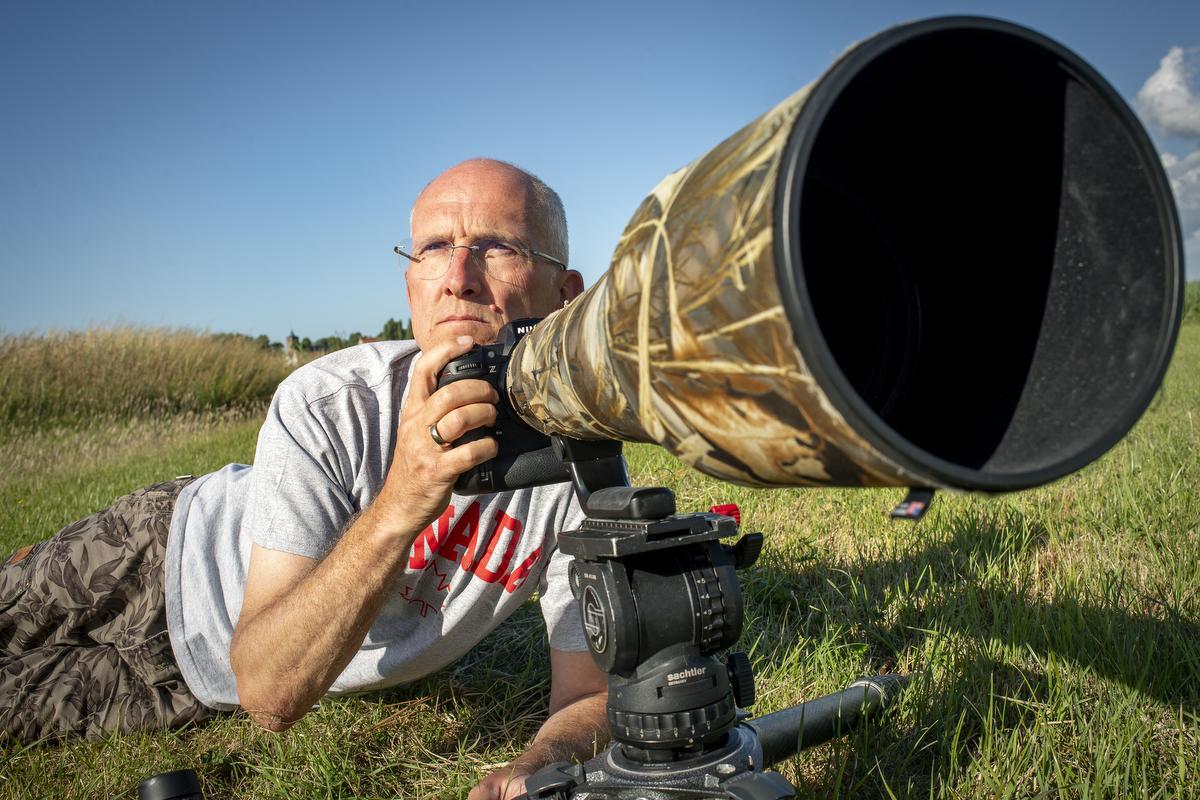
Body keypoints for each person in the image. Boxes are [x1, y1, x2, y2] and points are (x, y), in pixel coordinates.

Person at [0, 158, 606, 799]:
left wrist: (538, 767)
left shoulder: (582, 462)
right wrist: (403, 498)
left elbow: (267, 694)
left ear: (565, 293)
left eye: (497, 248)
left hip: (195, 679)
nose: (458, 279)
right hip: (155, 550)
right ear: (410, 288)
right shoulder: (332, 400)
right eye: (433, 249)